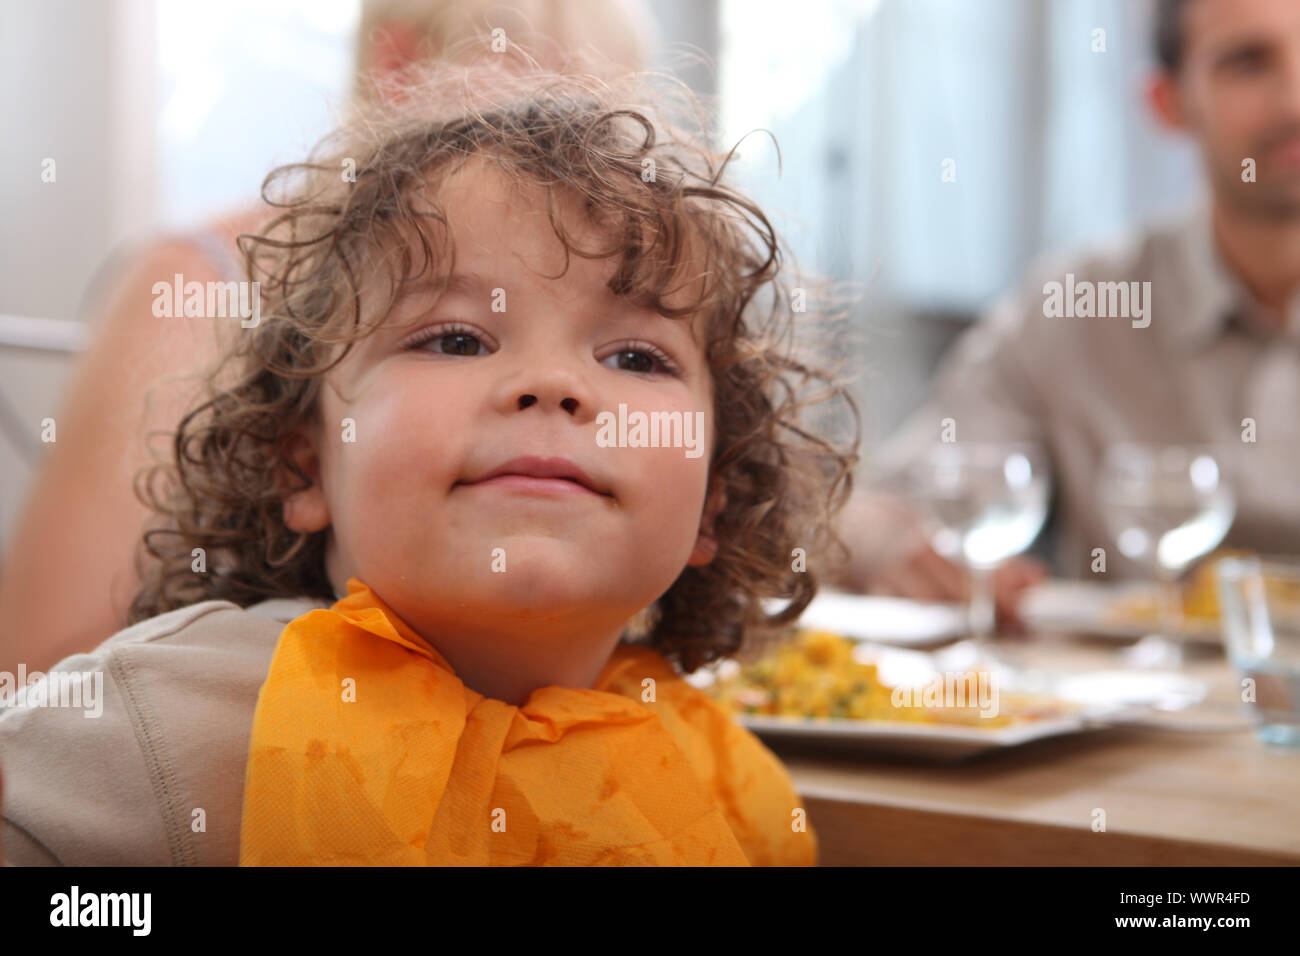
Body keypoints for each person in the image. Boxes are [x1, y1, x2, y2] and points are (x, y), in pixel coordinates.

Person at [0, 61, 856, 866]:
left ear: (715, 499)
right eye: (455, 339)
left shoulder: (727, 784)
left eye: (637, 358)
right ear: (304, 462)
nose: (552, 385)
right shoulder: (174, 721)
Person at [0, 0, 655, 677]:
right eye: (533, 108)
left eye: (601, 123)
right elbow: (42, 667)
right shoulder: (208, 282)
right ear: (397, 67)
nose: (574, 165)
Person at [831, 0, 1300, 618]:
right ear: (1169, 103)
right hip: (1133, 703)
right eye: (1247, 62)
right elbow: (873, 511)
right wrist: (896, 548)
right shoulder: (1082, 306)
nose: (1293, 100)